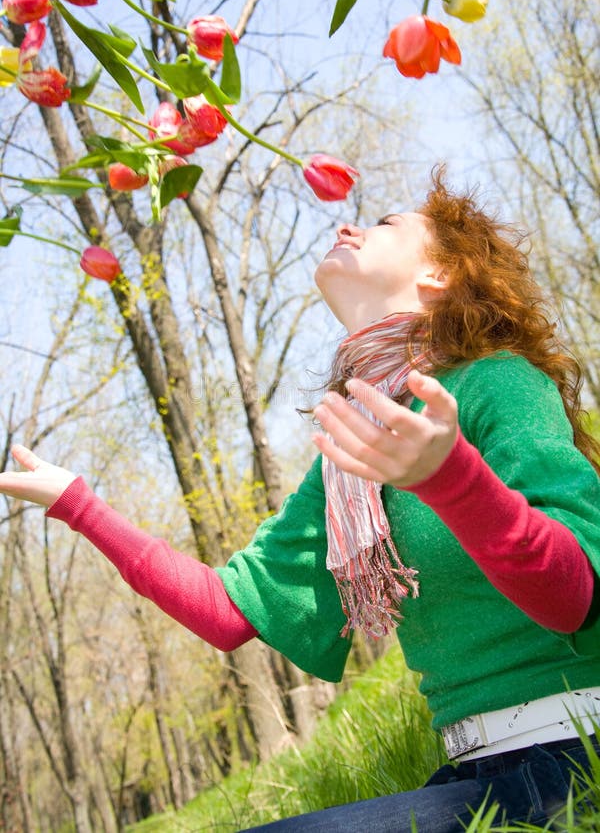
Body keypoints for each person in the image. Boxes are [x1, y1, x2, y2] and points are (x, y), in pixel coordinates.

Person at [2, 168, 600, 832]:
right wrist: (77, 504)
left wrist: (448, 477)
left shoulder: (499, 385)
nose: (346, 226)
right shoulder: (355, 451)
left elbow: (572, 594)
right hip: (476, 777)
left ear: (440, 274)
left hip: (577, 759)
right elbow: (228, 610)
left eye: (382, 224)